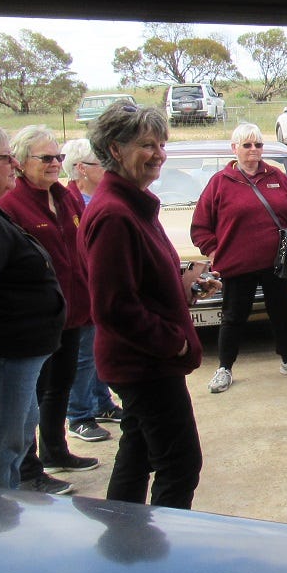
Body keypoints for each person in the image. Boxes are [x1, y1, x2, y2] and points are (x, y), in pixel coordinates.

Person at [81, 101, 219, 509]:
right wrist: (174, 343)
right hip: (144, 364)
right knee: (179, 463)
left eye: (161, 143)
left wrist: (185, 289)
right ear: (115, 148)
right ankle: (162, 562)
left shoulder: (134, 203)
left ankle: (120, 542)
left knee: (137, 452)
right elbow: (113, 307)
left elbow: (139, 287)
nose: (158, 153)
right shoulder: (114, 214)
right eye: (146, 144)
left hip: (142, 361)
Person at [1, 125, 99, 495]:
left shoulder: (66, 197)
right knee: (30, 393)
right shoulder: (11, 203)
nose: (55, 164)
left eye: (58, 157)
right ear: (20, 161)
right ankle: (28, 470)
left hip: (71, 310)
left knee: (60, 384)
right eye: (46, 158)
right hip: (35, 317)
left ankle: (56, 450)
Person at [0, 118, 65, 491]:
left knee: (11, 444)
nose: (13, 165)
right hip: (1, 359)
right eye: (5, 158)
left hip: (12, 360)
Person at [192, 123, 287, 394]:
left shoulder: (278, 177)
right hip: (238, 266)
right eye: (246, 145)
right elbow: (200, 226)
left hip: (276, 263)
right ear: (234, 149)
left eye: (258, 145)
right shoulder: (220, 183)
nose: (253, 150)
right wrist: (215, 251)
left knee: (282, 313)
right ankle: (224, 368)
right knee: (233, 317)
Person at [60, 139, 122, 443]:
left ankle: (102, 404)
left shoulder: (98, 198)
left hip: (96, 290)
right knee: (84, 356)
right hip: (80, 293)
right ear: (80, 169)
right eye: (101, 164)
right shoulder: (70, 201)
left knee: (96, 350)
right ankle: (79, 416)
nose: (108, 169)